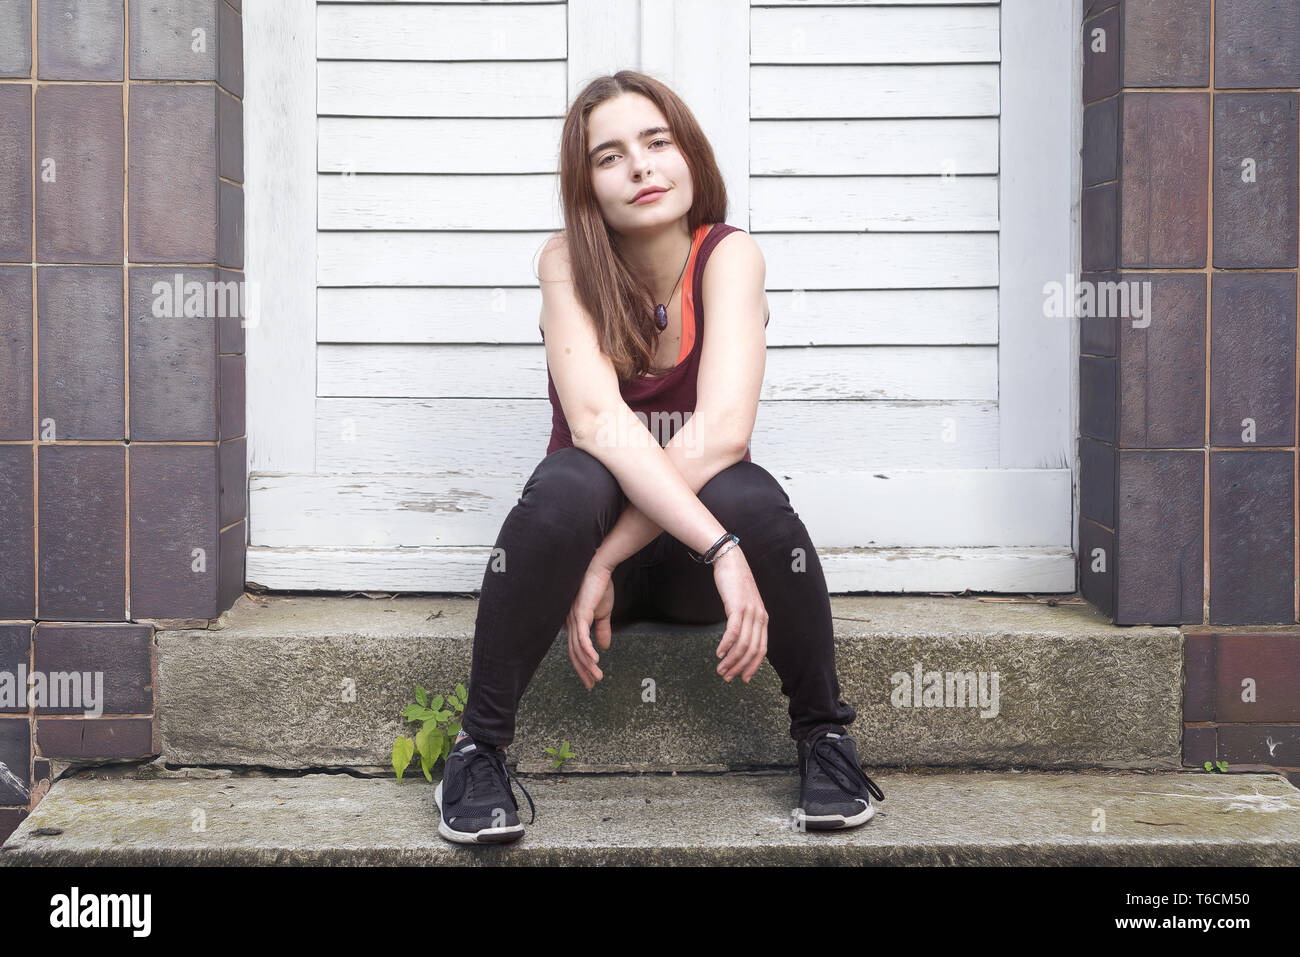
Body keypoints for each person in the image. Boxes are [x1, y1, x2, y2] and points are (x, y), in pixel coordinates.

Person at [433, 70, 884, 845]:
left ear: (689, 154)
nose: (640, 166)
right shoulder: (565, 262)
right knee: (573, 477)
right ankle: (477, 750)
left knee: (747, 493)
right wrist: (614, 552)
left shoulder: (730, 258)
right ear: (586, 188)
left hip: (680, 569)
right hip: (575, 547)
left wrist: (623, 557)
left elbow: (721, 430)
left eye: (656, 142)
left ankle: (825, 737)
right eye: (609, 157)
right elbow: (600, 423)